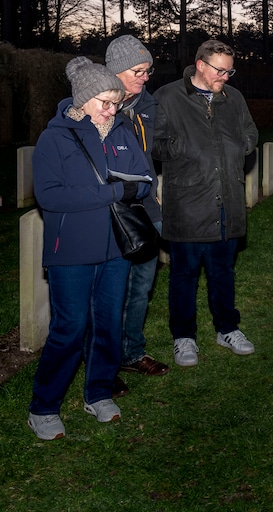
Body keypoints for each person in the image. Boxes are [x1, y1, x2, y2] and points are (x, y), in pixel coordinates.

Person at [28, 57, 152, 440]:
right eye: (104, 103)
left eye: (116, 103)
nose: (112, 111)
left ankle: (97, 393)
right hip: (71, 252)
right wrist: (115, 190)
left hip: (116, 248)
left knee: (108, 323)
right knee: (70, 328)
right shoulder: (55, 138)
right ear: (82, 100)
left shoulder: (120, 132)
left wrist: (131, 186)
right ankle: (44, 407)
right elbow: (51, 196)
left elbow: (144, 180)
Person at [152, 39, 259, 367]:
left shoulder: (234, 98)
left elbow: (251, 134)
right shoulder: (168, 97)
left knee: (223, 272)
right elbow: (154, 144)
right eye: (220, 70)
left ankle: (227, 328)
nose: (225, 77)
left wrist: (237, 147)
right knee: (184, 274)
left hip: (227, 200)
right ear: (200, 64)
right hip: (187, 202)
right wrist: (181, 147)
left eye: (230, 70)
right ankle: (183, 338)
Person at [105, 35, 169, 396]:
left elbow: (165, 145)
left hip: (145, 208)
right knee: (109, 290)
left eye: (148, 71)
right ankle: (104, 362)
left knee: (141, 286)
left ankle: (132, 352)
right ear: (116, 71)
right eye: (138, 71)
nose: (145, 77)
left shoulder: (150, 105)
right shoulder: (95, 103)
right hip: (107, 209)